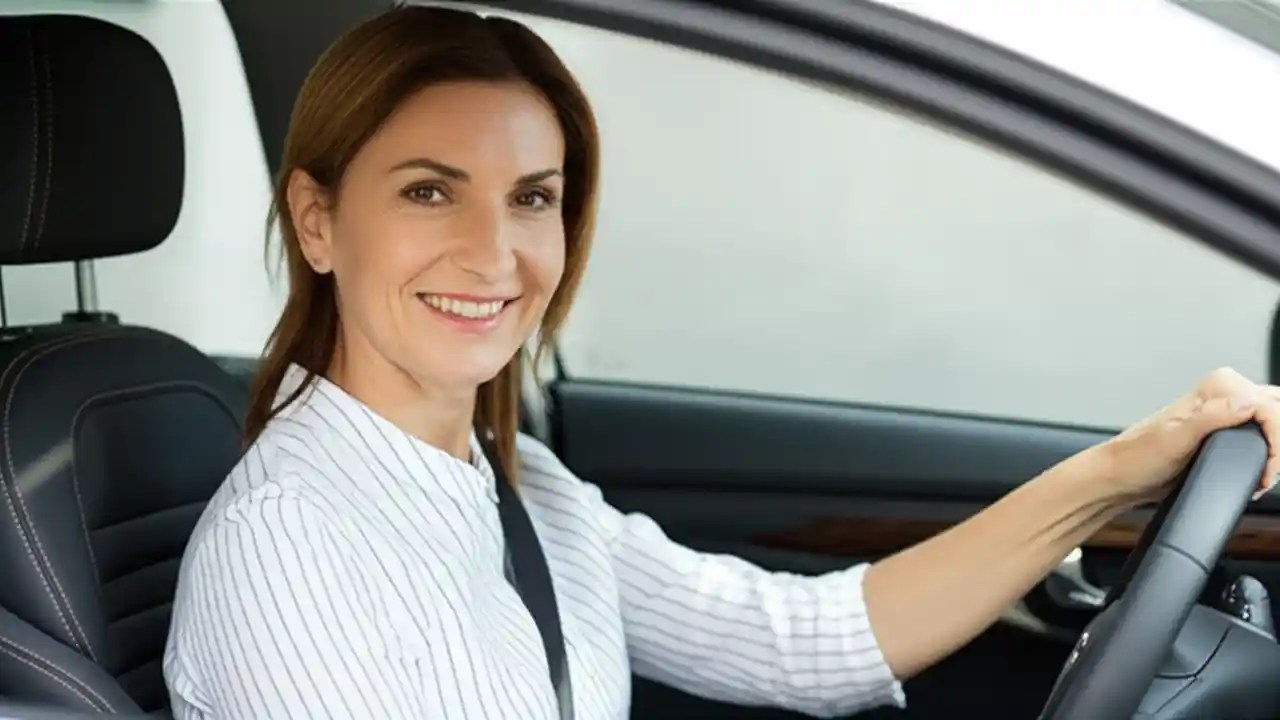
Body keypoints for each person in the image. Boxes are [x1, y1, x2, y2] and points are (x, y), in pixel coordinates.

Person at [161, 6, 1280, 719]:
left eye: (532, 199)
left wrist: (1119, 473)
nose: (494, 255)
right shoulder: (292, 545)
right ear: (316, 222)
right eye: (427, 191)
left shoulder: (516, 487)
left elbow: (797, 641)